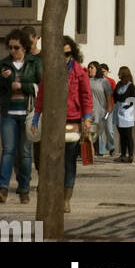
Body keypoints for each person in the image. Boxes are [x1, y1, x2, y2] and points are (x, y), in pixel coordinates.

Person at [34, 36, 93, 213]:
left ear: (72, 53)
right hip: (53, 121)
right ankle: (51, 194)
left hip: (73, 120)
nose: (65, 56)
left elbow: (86, 96)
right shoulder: (50, 70)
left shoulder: (79, 72)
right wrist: (36, 117)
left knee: (68, 162)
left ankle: (66, 198)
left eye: (68, 53)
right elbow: (41, 95)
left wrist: (87, 118)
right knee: (49, 160)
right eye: (62, 53)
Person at [0, 28, 42, 204]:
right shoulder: (3, 64)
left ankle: (24, 189)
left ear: (24, 47)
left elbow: (40, 86)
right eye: (10, 47)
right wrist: (5, 80)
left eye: (16, 47)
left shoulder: (34, 63)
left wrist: (20, 86)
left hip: (27, 113)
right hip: (8, 113)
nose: (12, 51)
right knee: (8, 151)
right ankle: (2, 188)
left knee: (25, 153)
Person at [87, 61, 113, 158]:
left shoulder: (104, 81)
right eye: (88, 67)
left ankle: (100, 151)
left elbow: (109, 97)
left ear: (97, 69)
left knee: (98, 133)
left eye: (92, 67)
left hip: (101, 112)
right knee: (89, 133)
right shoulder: (86, 80)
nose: (89, 69)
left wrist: (108, 112)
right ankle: (89, 154)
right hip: (89, 111)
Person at [113, 68, 135, 163]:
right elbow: (115, 96)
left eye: (119, 73)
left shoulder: (131, 86)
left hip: (127, 113)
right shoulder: (119, 84)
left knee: (128, 135)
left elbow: (134, 99)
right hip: (118, 111)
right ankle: (123, 155)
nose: (118, 74)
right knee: (121, 135)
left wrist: (126, 107)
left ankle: (130, 155)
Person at [100, 64, 117, 156]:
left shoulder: (111, 81)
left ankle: (111, 147)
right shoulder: (97, 81)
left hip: (109, 109)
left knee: (109, 129)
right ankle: (101, 150)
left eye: (104, 71)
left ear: (107, 71)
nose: (103, 73)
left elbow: (115, 93)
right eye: (101, 71)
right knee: (100, 130)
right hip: (100, 109)